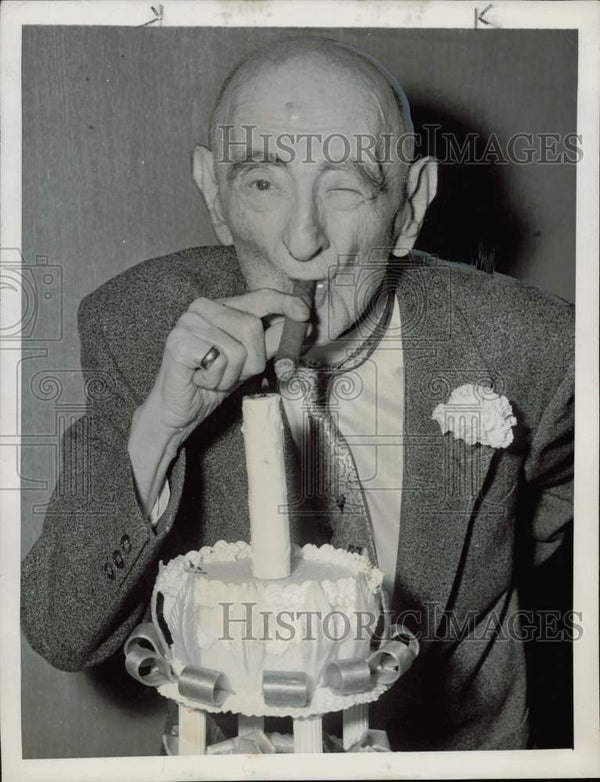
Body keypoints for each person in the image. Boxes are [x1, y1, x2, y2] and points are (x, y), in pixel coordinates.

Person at [21, 36, 574, 751]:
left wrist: (487, 559)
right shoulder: (139, 325)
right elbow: (64, 630)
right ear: (214, 194)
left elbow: (559, 498)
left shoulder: (535, 346)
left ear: (409, 208)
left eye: (345, 188)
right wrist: (161, 427)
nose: (302, 241)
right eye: (262, 183)